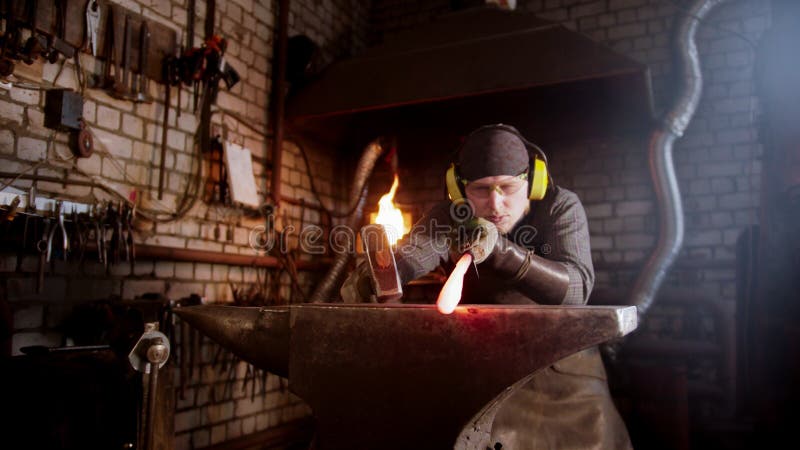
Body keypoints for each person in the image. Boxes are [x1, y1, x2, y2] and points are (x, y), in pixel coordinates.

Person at [341, 124, 632, 449]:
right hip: (484, 367)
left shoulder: (559, 207)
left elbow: (577, 291)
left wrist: (504, 253)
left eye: (507, 188)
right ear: (459, 190)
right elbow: (410, 259)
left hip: (562, 377)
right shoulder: (452, 216)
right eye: (480, 190)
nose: (495, 204)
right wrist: (376, 276)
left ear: (531, 183)